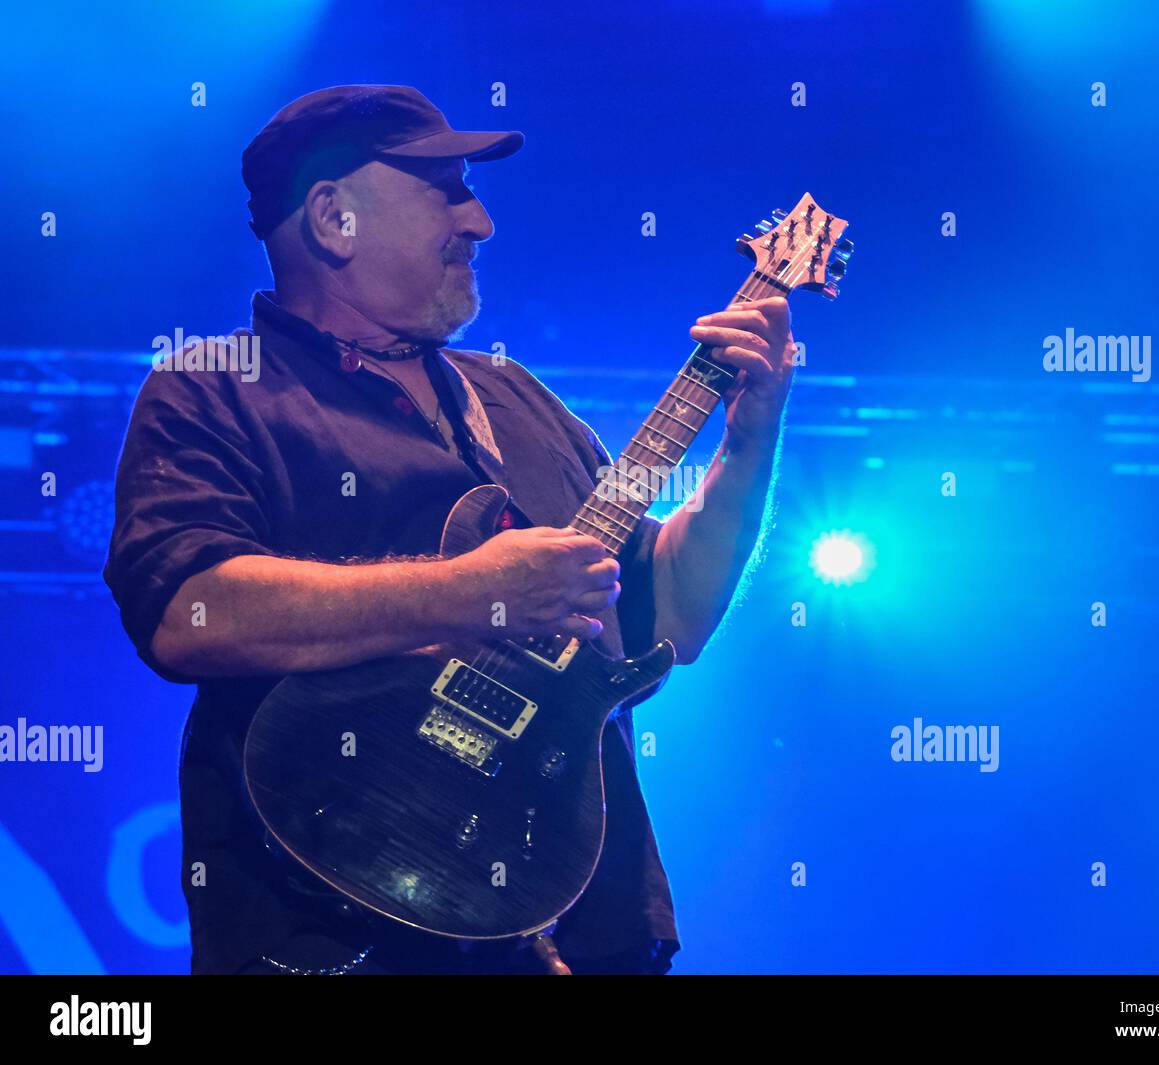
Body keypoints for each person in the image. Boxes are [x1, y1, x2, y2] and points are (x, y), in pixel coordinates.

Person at [104, 84, 797, 975]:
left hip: (588, 925)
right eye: (445, 187)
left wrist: (749, 440)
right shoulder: (212, 390)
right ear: (332, 217)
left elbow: (669, 619)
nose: (481, 221)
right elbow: (188, 612)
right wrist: (476, 593)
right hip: (335, 929)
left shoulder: (519, 397)